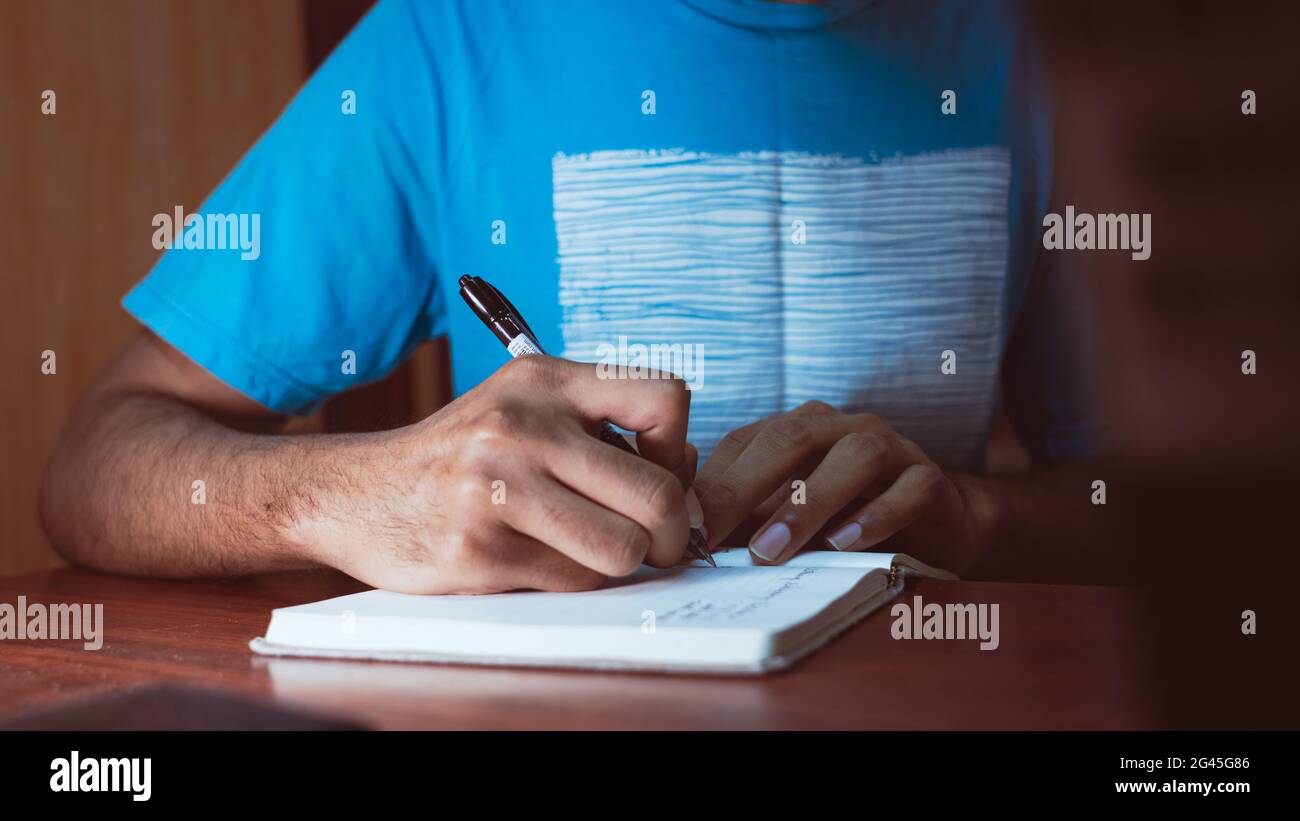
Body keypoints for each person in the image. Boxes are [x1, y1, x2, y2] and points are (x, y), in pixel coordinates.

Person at [41, 0, 1101, 593]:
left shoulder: (1069, 56)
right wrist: (361, 494)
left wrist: (982, 516)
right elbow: (98, 463)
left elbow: (1198, 504)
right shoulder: (446, 39)